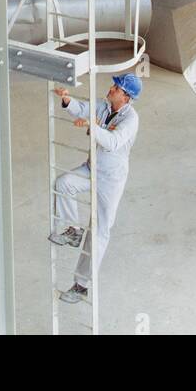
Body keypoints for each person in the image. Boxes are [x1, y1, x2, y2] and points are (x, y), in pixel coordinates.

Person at [49, 73, 141, 304]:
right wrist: (68, 100)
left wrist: (92, 126)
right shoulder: (104, 105)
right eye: (114, 85)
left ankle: (81, 286)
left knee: (99, 232)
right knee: (64, 183)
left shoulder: (131, 119)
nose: (111, 88)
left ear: (126, 96)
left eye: (116, 87)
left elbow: (112, 142)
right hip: (91, 169)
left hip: (110, 179)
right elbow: (82, 108)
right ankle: (72, 230)